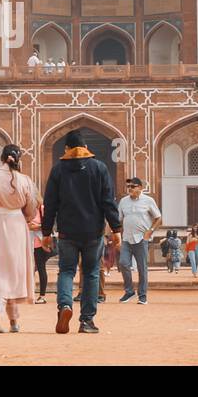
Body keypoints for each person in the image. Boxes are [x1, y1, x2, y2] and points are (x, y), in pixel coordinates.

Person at [42, 130, 121, 335]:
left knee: (67, 271)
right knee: (91, 273)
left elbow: (50, 204)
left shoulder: (58, 170)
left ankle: (65, 306)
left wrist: (46, 232)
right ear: (86, 148)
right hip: (93, 232)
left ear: (67, 149)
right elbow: (108, 201)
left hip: (67, 232)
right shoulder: (100, 168)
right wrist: (116, 228)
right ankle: (86, 321)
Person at [0, 145, 38, 334]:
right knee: (12, 271)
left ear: (2, 158)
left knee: (2, 270)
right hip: (16, 225)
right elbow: (31, 210)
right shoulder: (25, 180)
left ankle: (13, 320)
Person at [117, 177, 161, 305]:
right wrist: (115, 235)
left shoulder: (148, 200)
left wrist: (150, 231)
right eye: (128, 186)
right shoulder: (123, 201)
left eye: (133, 186)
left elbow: (158, 218)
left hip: (141, 239)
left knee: (142, 268)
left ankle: (142, 295)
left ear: (140, 187)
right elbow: (119, 219)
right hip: (126, 238)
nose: (129, 188)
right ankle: (129, 291)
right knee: (123, 263)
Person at [31, 200, 53, 304]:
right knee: (31, 269)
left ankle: (42, 295)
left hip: (41, 243)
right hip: (30, 243)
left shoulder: (42, 209)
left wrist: (34, 226)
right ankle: (30, 293)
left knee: (41, 268)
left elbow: (48, 224)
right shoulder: (27, 210)